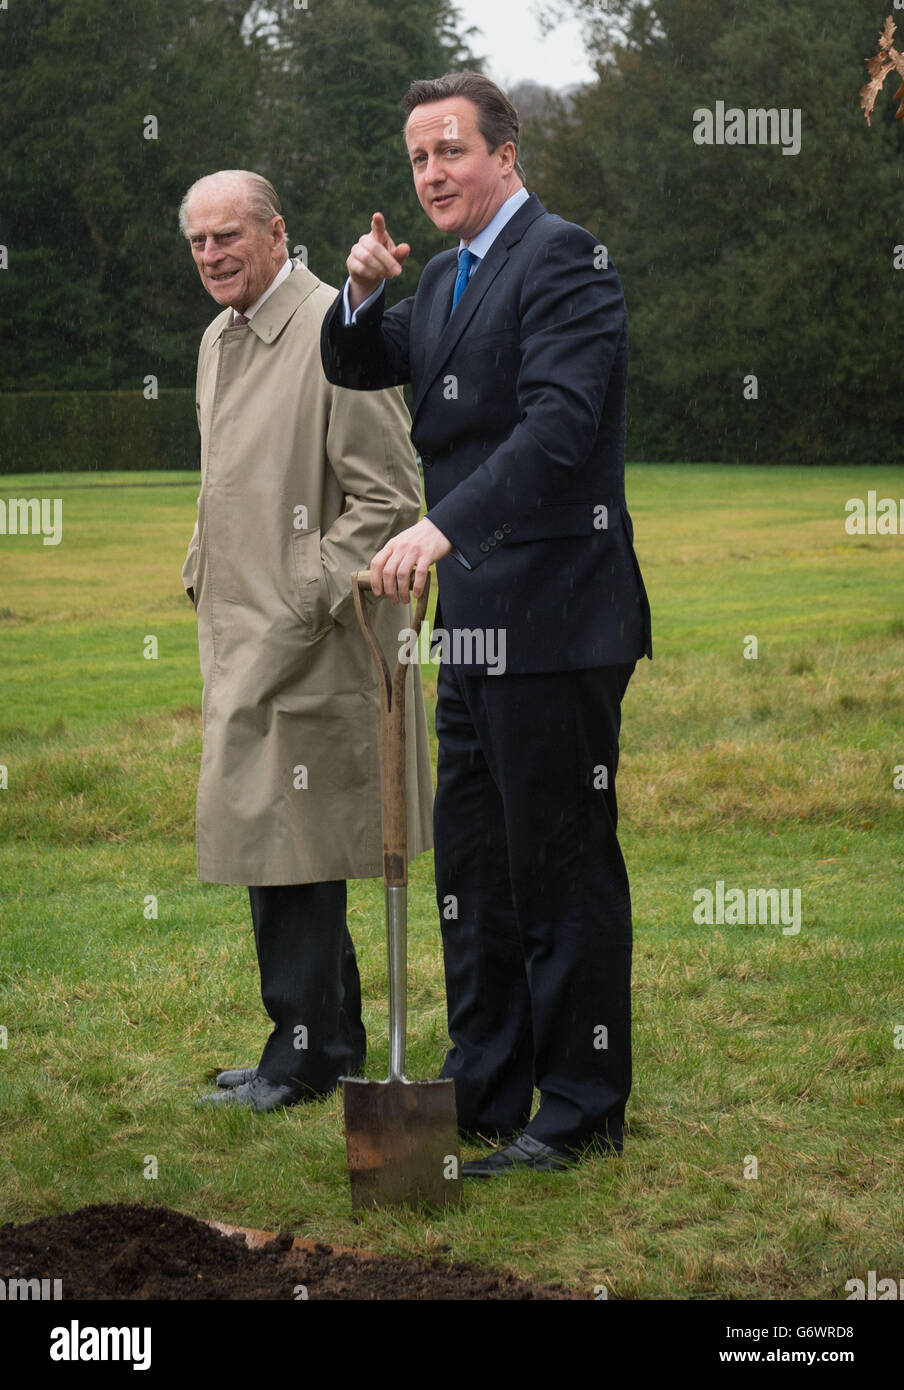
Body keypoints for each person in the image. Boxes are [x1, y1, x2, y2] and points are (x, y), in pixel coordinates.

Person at [321, 73, 652, 1173]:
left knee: (557, 871)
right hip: (465, 628)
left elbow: (561, 428)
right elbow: (361, 360)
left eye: (449, 151)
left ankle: (579, 1108)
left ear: (505, 154)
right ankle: (489, 1088)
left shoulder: (563, 257)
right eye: (417, 159)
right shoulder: (454, 279)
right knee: (471, 864)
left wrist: (442, 528)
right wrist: (361, 292)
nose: (430, 175)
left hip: (556, 621)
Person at [179, 170, 433, 1113]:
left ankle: (303, 1057)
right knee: (274, 839)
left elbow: (389, 500)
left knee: (295, 841)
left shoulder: (336, 333)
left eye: (229, 236)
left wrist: (301, 593)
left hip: (317, 640)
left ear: (276, 233)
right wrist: (202, 564)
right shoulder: (216, 338)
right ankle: (321, 1040)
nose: (212, 256)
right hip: (238, 630)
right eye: (199, 242)